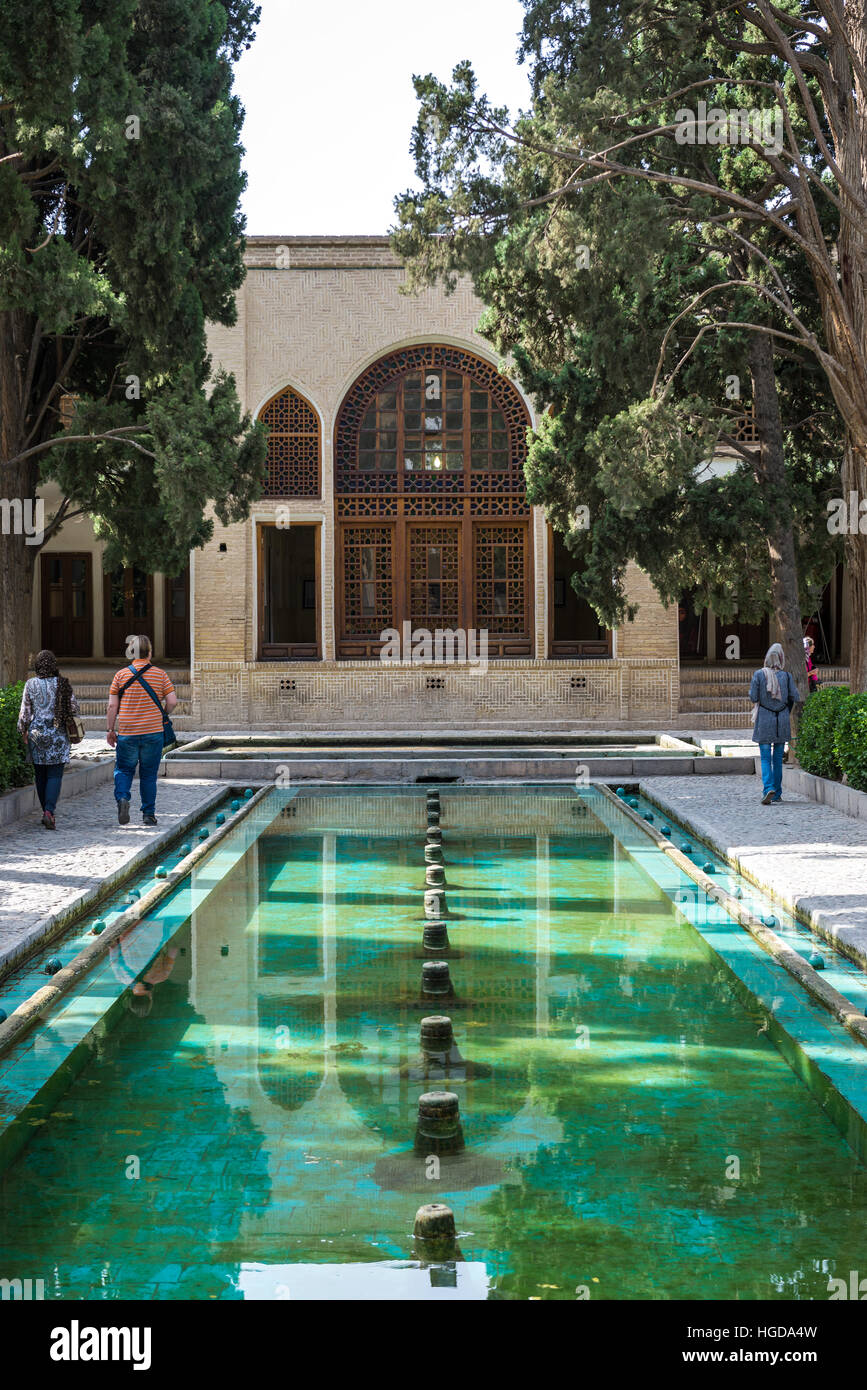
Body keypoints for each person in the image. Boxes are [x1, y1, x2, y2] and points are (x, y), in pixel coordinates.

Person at [106, 635, 177, 826]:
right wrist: (163, 714)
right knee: (148, 774)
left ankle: (122, 798)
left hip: (127, 732)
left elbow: (112, 707)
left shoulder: (120, 675)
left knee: (123, 769)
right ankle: (148, 814)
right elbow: (172, 702)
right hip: (153, 732)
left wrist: (111, 729)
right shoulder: (160, 675)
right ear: (150, 652)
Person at [17, 650, 80, 829]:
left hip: (36, 735)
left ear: (37, 666)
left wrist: (23, 731)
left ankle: (47, 812)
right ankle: (49, 812)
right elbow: (74, 707)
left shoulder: (30, 684)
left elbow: (25, 712)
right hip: (58, 736)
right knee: (54, 774)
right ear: (54, 665)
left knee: (40, 775)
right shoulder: (62, 683)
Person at [749, 643, 799, 805]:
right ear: (781, 658)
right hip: (782, 719)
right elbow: (794, 697)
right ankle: (777, 793)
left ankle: (768, 788)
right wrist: (784, 710)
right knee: (777, 758)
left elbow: (753, 697)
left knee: (765, 758)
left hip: (764, 719)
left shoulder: (758, 675)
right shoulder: (787, 676)